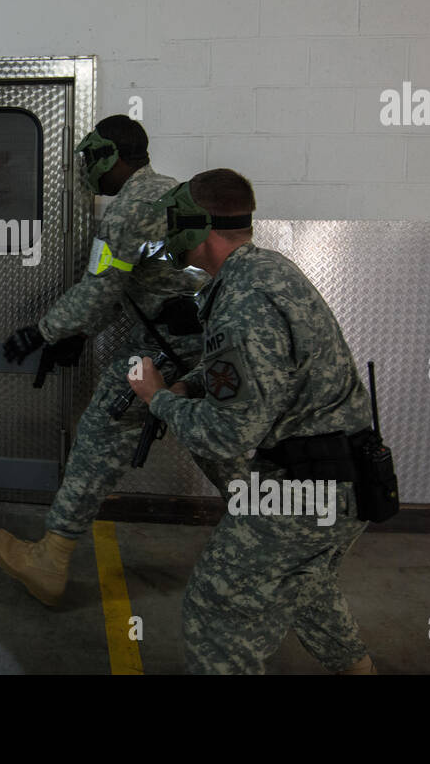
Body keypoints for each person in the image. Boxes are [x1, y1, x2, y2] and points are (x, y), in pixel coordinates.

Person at [127, 168, 378, 674]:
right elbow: (268, 368)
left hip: (306, 491)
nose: (165, 234)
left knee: (217, 611)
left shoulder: (241, 304)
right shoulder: (265, 270)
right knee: (303, 586)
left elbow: (227, 435)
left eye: (173, 221)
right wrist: (192, 384)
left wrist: (158, 398)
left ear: (197, 226)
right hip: (347, 478)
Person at [0, 116, 244, 607]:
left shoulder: (125, 212)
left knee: (98, 436)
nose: (88, 170)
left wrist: (42, 331)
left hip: (161, 354)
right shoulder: (175, 193)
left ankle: (51, 558)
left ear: (112, 158)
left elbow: (100, 286)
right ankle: (278, 542)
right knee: (227, 453)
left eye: (92, 159)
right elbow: (134, 283)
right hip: (214, 350)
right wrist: (81, 333)